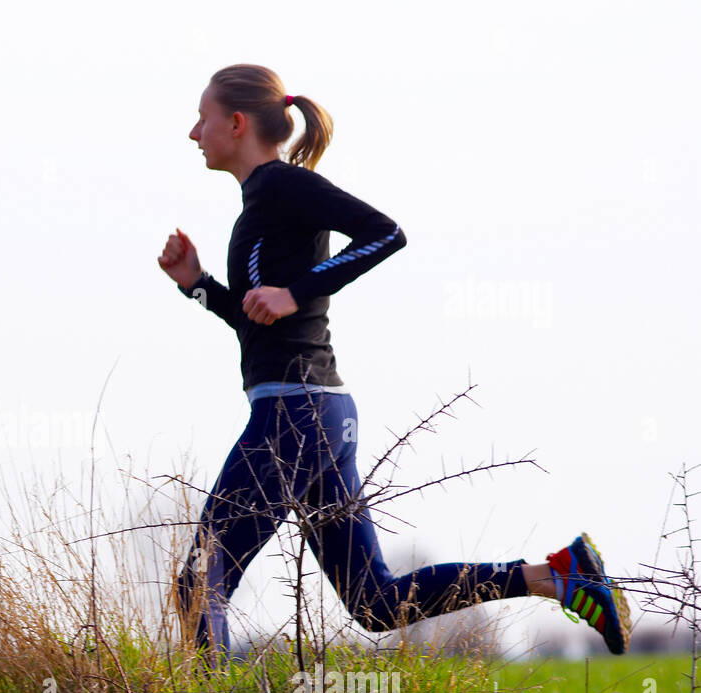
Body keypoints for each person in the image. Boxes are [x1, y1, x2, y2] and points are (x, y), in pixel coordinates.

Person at [156, 64, 631, 661]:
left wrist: (296, 292)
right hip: (315, 414)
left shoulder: (284, 186)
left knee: (203, 580)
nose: (193, 132)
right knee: (374, 601)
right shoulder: (259, 206)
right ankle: (558, 575)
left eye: (202, 118)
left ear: (236, 122)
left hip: (293, 415)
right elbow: (259, 324)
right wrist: (197, 284)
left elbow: (385, 234)